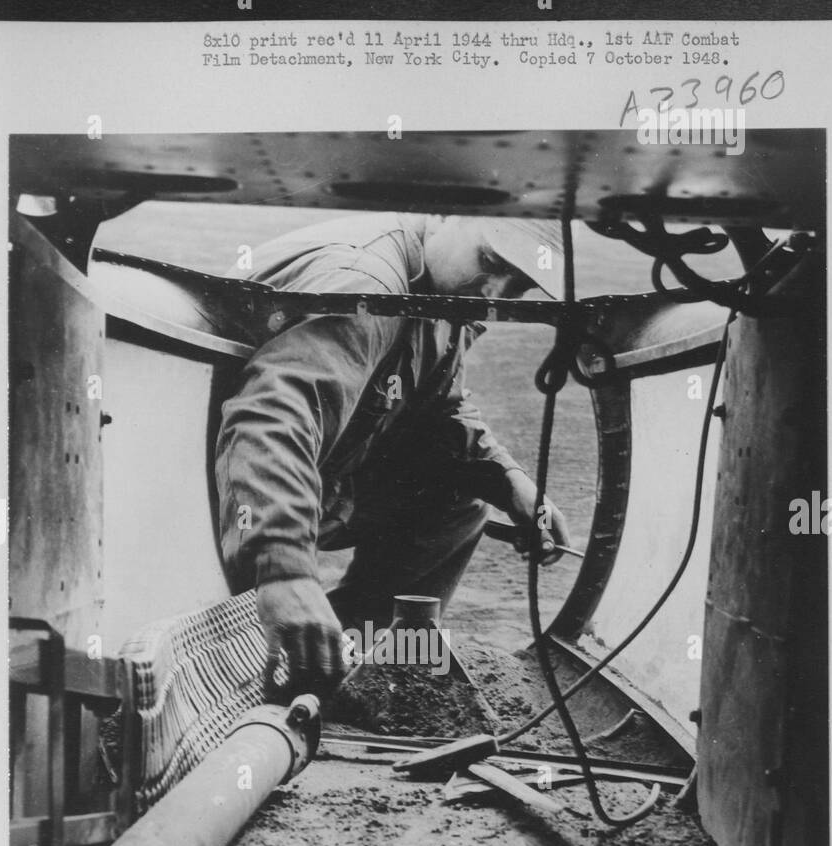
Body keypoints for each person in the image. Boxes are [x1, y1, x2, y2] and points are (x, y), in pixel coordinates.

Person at [214, 213, 571, 697]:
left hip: (297, 477)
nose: (495, 292)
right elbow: (272, 418)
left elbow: (439, 406)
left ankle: (342, 658)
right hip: (222, 489)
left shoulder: (444, 295)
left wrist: (509, 480)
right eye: (490, 260)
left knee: (458, 500)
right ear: (444, 215)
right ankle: (282, 645)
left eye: (519, 287)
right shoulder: (370, 284)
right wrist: (284, 573)